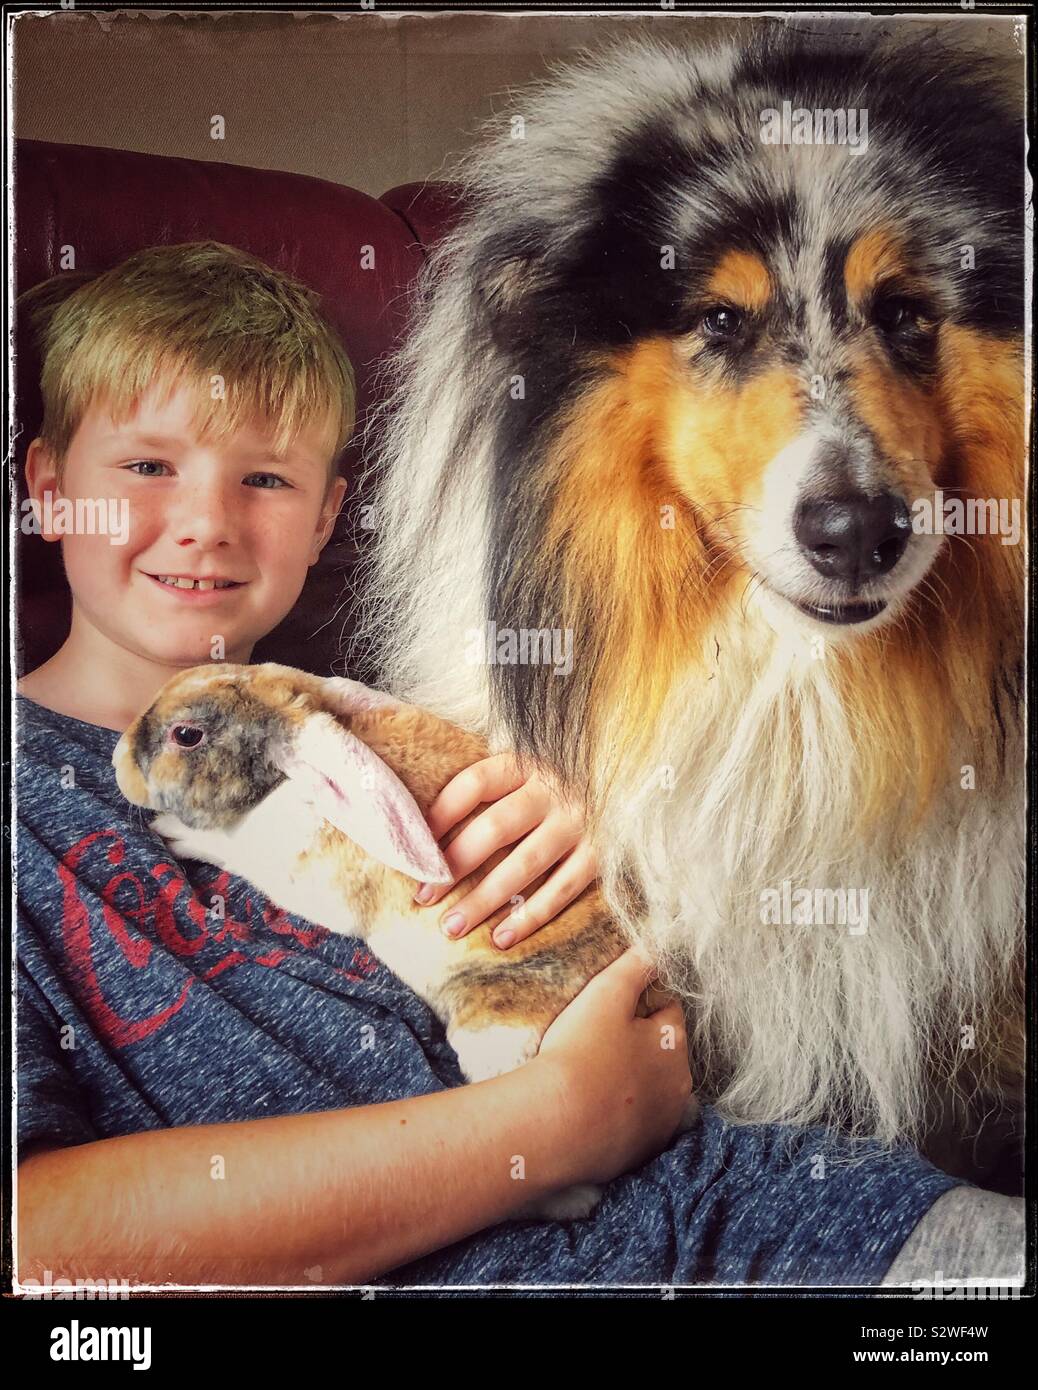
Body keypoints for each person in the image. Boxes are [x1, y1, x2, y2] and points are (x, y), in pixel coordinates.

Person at [14, 241, 1020, 1292]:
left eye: (265, 478)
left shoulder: (402, 705)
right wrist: (550, 1126)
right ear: (47, 486)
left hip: (797, 1206)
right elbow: (34, 1238)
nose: (207, 524)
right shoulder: (23, 799)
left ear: (325, 518)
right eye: (146, 466)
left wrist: (613, 804)